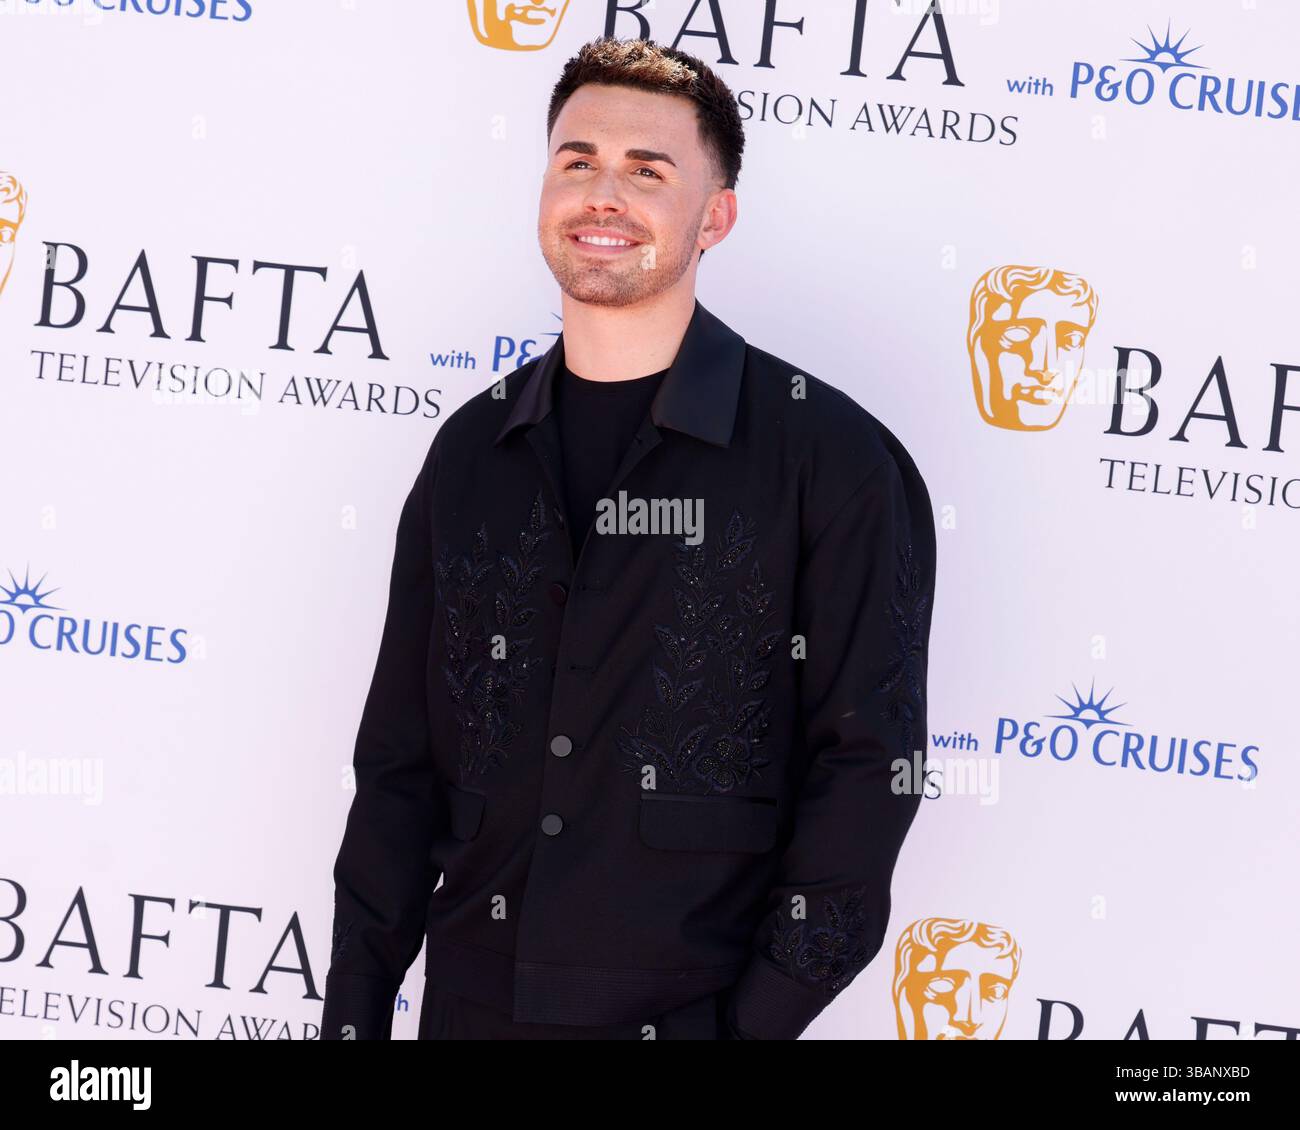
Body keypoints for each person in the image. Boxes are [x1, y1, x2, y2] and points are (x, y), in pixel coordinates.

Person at [321, 35, 937, 1041]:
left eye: (646, 171)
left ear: (715, 214)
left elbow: (869, 775)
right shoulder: (471, 450)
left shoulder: (832, 460)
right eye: (577, 161)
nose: (602, 194)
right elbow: (398, 768)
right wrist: (352, 1017)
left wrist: (743, 1026)